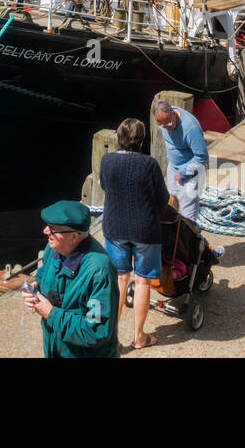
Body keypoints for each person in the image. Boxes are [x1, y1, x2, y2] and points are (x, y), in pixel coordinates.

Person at [99, 118, 168, 350]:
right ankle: (139, 336)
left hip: (114, 228)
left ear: (119, 138)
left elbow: (104, 185)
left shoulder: (107, 160)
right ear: (142, 140)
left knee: (119, 280)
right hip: (144, 230)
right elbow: (162, 200)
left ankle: (112, 338)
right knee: (143, 281)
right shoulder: (150, 164)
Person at [24, 200, 119, 358]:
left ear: (74, 236)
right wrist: (34, 291)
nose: (45, 231)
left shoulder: (99, 271)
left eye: (53, 229)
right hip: (56, 350)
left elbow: (97, 330)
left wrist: (51, 313)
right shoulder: (54, 247)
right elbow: (42, 274)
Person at [152, 98, 209, 224]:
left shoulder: (190, 128)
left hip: (190, 174)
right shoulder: (164, 120)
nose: (165, 128)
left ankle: (189, 242)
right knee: (172, 211)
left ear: (173, 114)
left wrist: (183, 173)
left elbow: (202, 156)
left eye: (167, 124)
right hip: (173, 168)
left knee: (187, 218)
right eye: (161, 125)